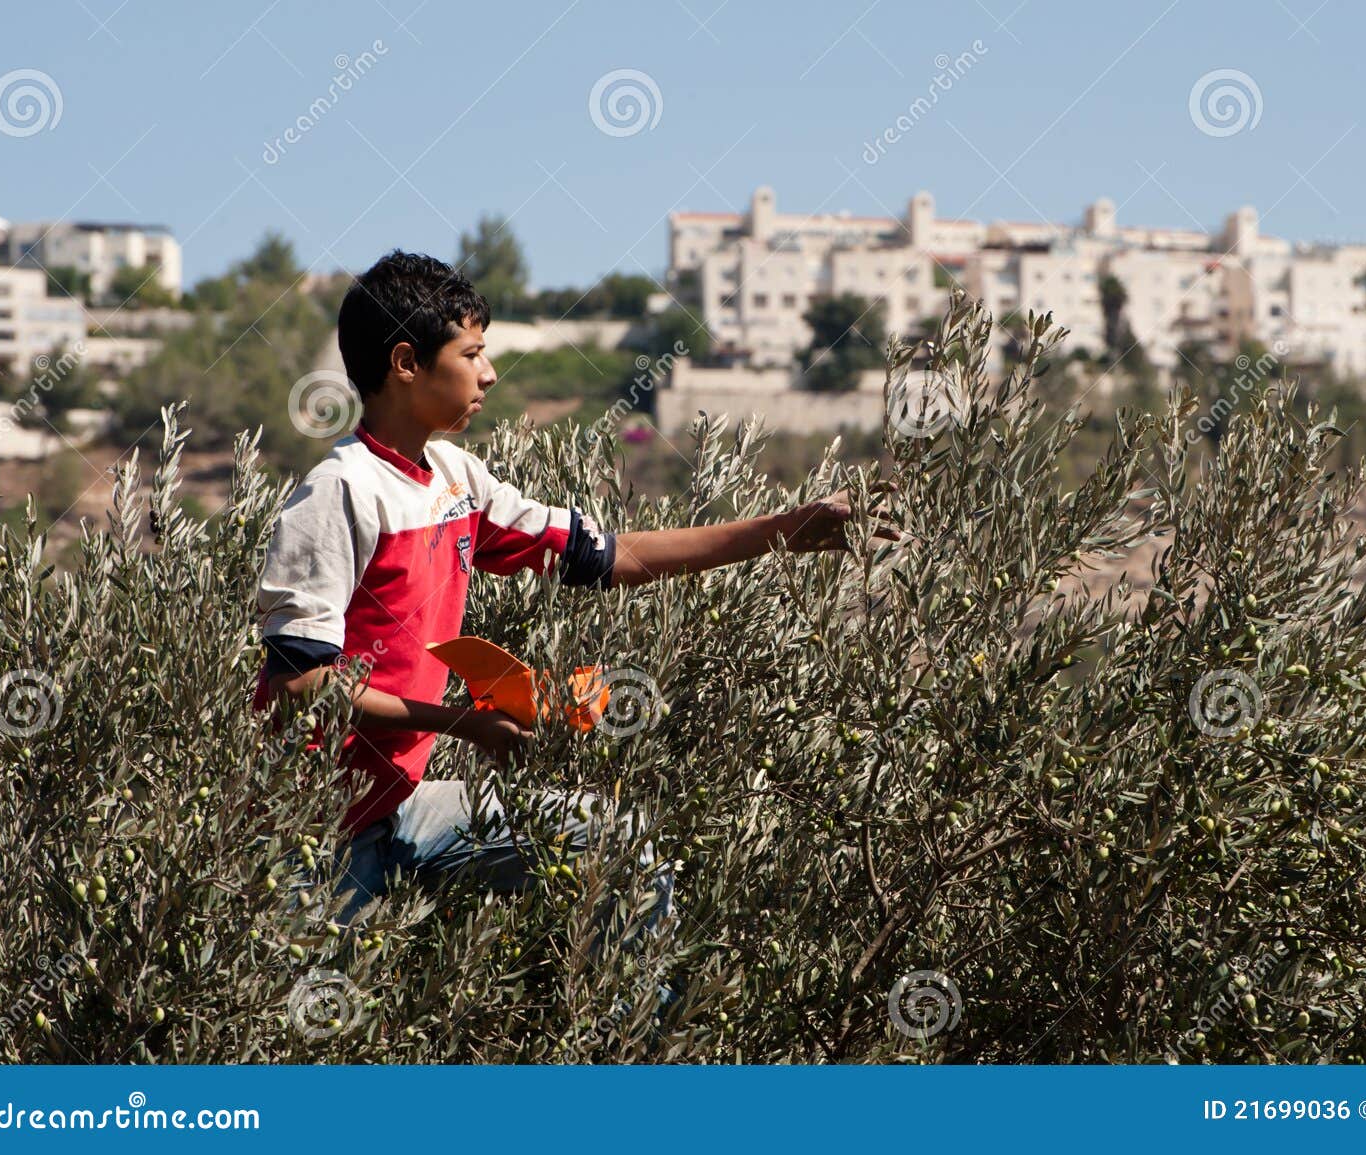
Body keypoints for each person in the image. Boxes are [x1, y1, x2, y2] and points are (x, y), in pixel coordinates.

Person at [251, 249, 897, 947]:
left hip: (402, 807)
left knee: (616, 842)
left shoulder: (456, 479)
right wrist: (462, 723)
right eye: (472, 353)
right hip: (314, 837)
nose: (490, 373)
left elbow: (608, 556)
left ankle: (630, 1046)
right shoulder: (339, 491)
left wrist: (785, 530)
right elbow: (300, 681)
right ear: (406, 362)